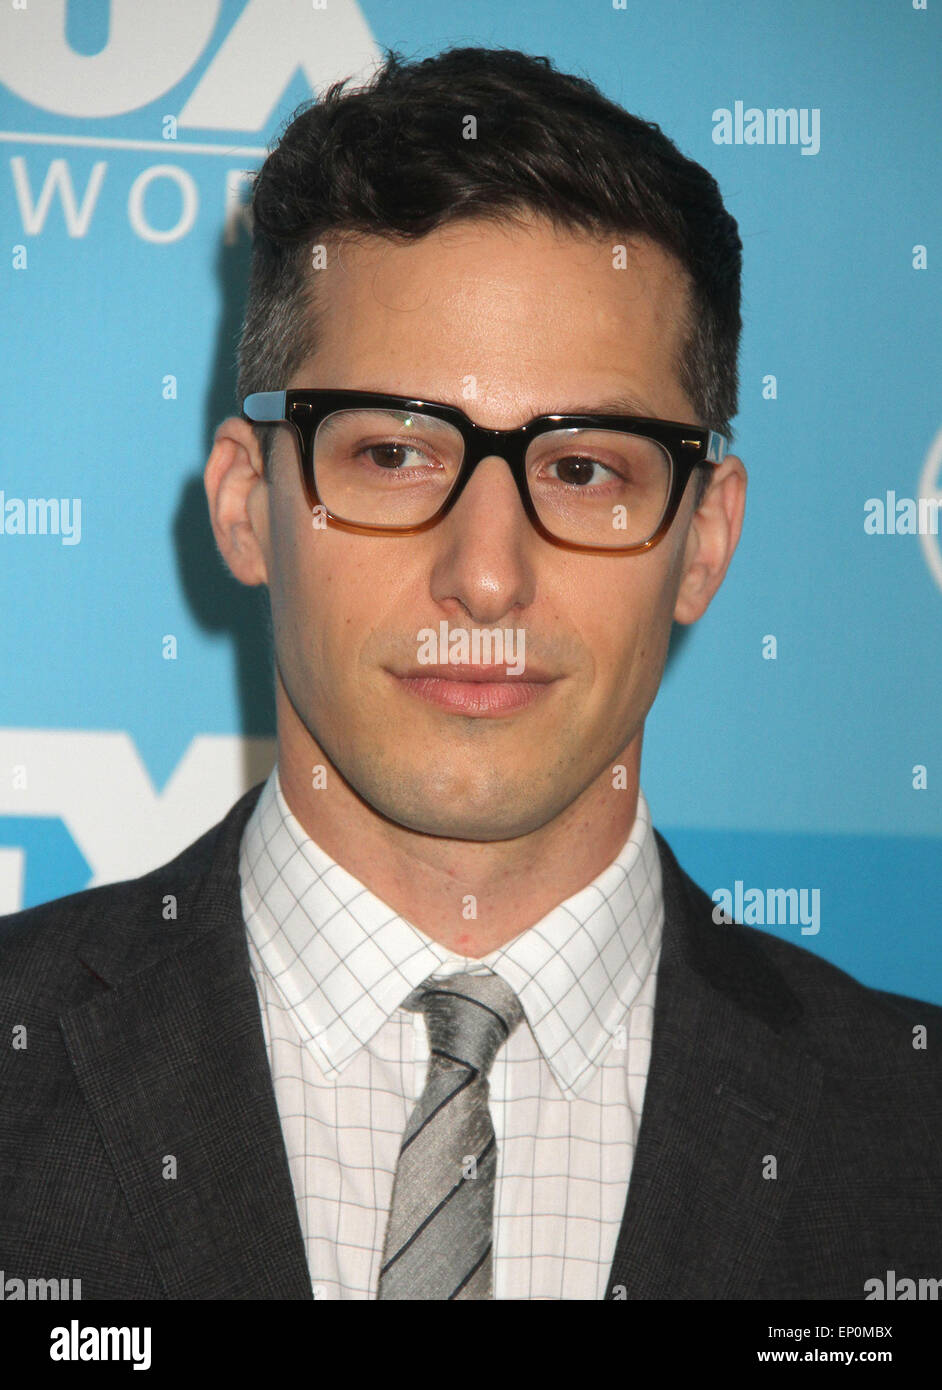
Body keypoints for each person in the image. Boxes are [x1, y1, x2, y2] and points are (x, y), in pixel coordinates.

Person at [1, 45, 939, 1303]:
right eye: (393, 451)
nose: (486, 576)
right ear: (245, 505)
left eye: (586, 467)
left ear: (704, 540)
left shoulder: (911, 1137)